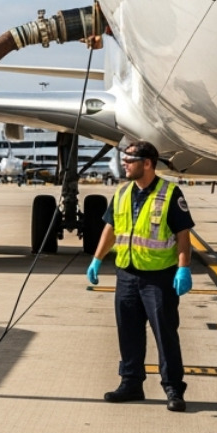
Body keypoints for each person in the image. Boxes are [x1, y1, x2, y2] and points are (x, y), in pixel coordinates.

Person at [85, 140, 195, 411]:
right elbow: (110, 228)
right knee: (128, 333)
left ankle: (173, 389)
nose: (124, 163)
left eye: (130, 160)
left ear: (147, 163)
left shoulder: (170, 193)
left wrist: (183, 267)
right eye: (125, 159)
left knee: (165, 334)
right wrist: (96, 260)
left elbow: (183, 234)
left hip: (159, 278)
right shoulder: (122, 193)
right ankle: (131, 383)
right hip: (126, 275)